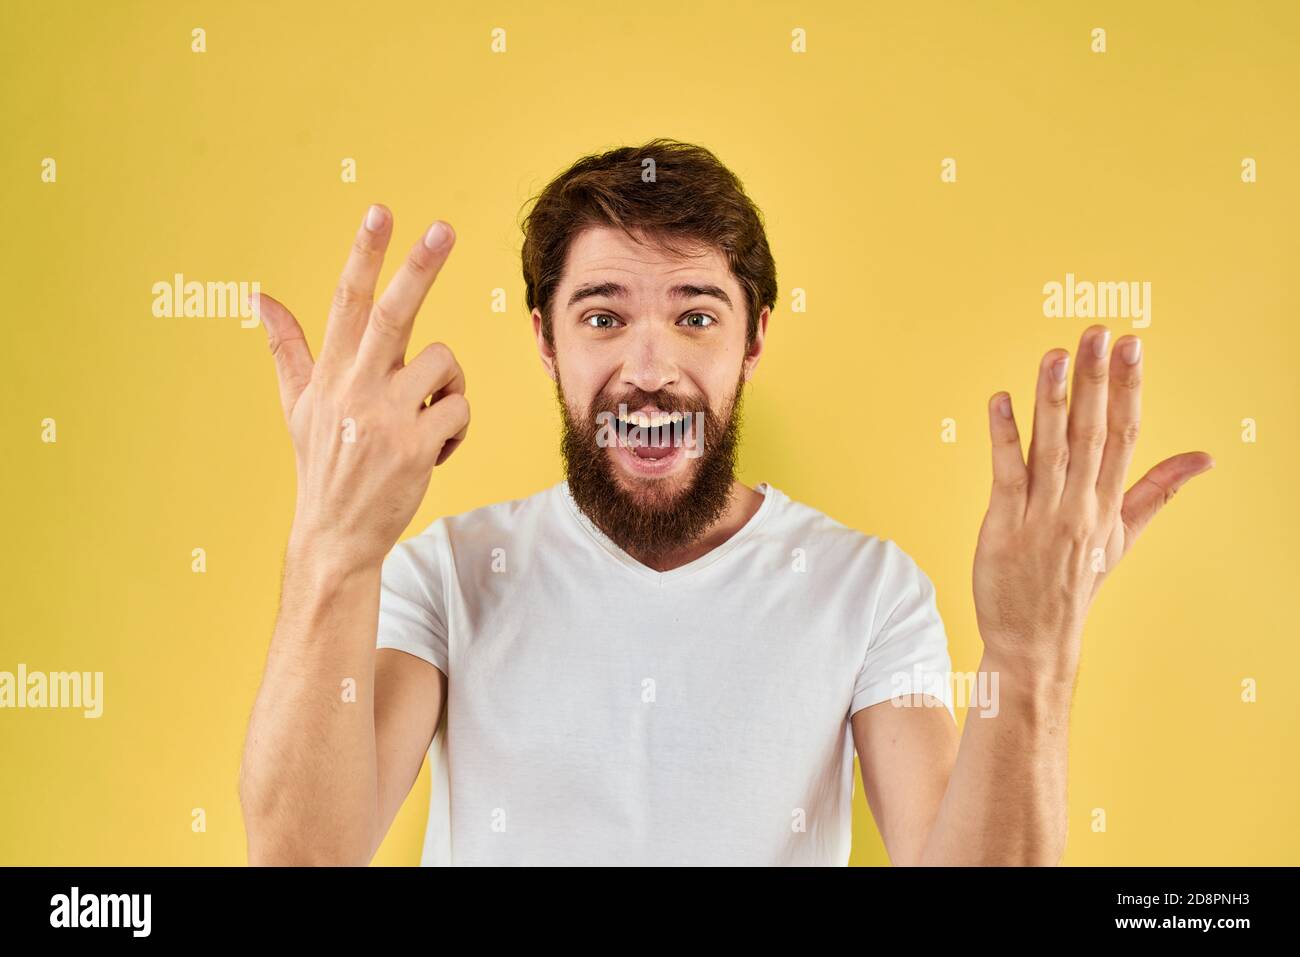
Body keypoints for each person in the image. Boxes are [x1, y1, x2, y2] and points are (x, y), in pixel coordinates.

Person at [238, 139, 1213, 866]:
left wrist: (1032, 656)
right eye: (603, 316)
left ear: (751, 343)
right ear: (545, 341)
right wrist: (335, 543)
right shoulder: (446, 576)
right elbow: (300, 860)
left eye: (696, 315)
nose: (651, 367)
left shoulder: (868, 592)